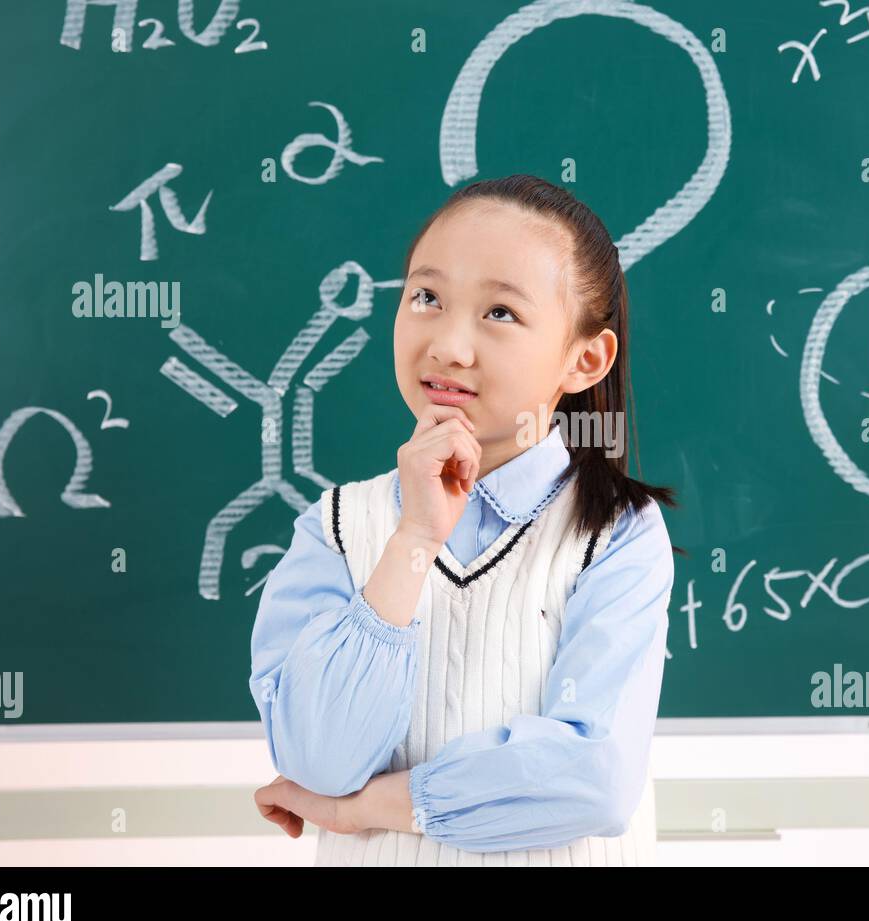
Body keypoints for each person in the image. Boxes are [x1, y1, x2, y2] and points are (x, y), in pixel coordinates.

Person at [250, 174, 680, 865]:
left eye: (500, 313)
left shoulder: (617, 534)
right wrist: (415, 538)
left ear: (584, 359)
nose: (449, 346)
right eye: (426, 297)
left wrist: (364, 809)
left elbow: (592, 779)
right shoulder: (334, 527)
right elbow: (318, 759)